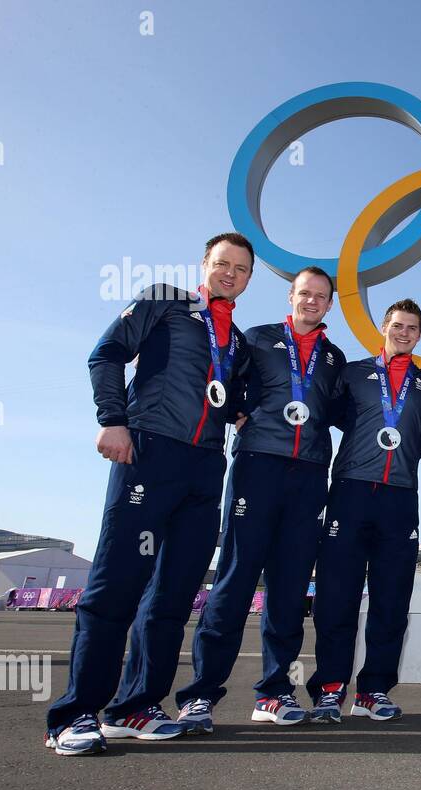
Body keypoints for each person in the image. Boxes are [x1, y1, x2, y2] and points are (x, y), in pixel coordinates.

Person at [45, 233, 254, 755]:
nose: (231, 274)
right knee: (116, 586)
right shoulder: (165, 301)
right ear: (203, 264)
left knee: (173, 596)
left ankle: (135, 706)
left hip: (207, 468)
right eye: (222, 264)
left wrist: (241, 410)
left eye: (242, 269)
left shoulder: (241, 340)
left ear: (249, 278)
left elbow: (225, 396)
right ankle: (75, 715)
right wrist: (112, 420)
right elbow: (106, 354)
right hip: (148, 452)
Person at [174, 267, 346, 730]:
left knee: (289, 590)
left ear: (331, 305)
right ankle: (200, 696)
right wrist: (233, 411)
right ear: (290, 296)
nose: (311, 302)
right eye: (304, 294)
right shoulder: (256, 337)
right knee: (234, 581)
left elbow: (343, 411)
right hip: (258, 465)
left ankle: (273, 694)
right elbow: (220, 377)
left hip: (309, 474)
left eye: (321, 297)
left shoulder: (333, 358)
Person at [303, 299, 421, 723]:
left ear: (420, 335)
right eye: (397, 325)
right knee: (336, 596)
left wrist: (406, 453)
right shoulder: (354, 373)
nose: (404, 333)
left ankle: (374, 690)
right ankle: (330, 688)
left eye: (412, 328)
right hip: (351, 491)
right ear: (384, 327)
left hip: (400, 498)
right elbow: (329, 415)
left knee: (391, 600)